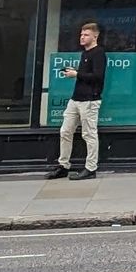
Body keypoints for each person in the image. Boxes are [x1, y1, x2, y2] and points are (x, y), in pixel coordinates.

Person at [51, 20, 108, 179]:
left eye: (86, 35)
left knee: (89, 134)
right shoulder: (84, 54)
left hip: (90, 100)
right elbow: (86, 75)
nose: (82, 37)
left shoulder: (99, 53)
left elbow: (98, 76)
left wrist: (76, 74)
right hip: (76, 99)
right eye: (81, 34)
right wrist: (75, 72)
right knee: (65, 131)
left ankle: (91, 168)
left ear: (95, 36)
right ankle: (63, 165)